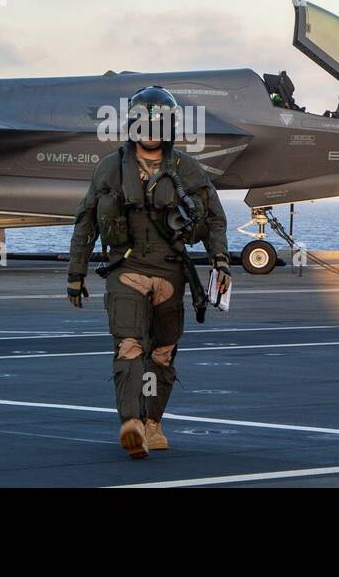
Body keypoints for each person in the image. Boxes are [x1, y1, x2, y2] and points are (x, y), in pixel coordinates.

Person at [66, 86, 230, 458]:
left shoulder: (187, 169)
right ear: (132, 126)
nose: (152, 130)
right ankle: (131, 423)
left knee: (162, 353)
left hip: (170, 274)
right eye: (145, 122)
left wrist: (220, 261)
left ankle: (153, 423)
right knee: (130, 345)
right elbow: (86, 222)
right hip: (127, 269)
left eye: (160, 123)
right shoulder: (110, 167)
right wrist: (75, 274)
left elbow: (215, 219)